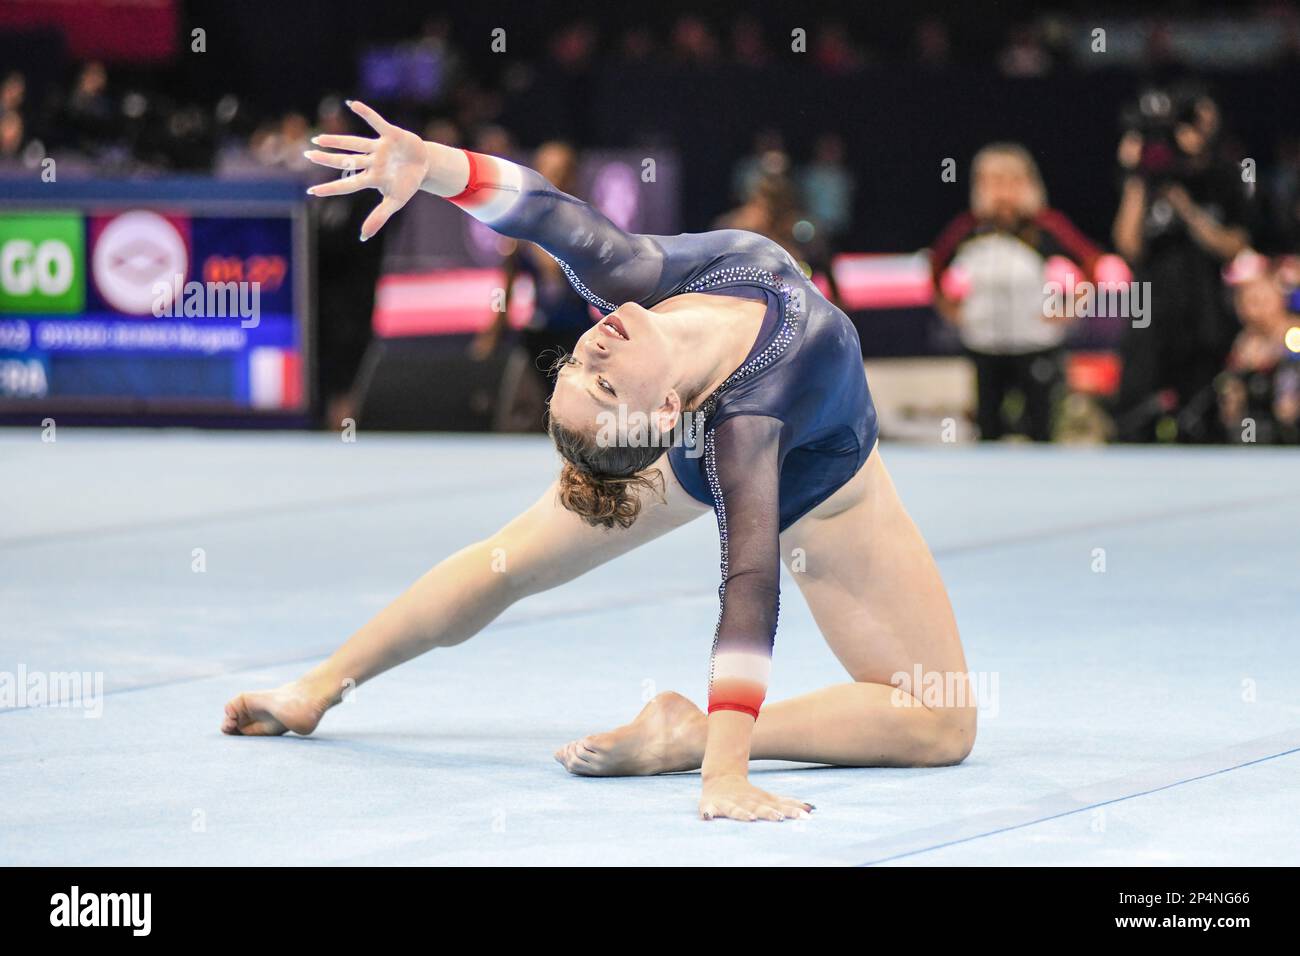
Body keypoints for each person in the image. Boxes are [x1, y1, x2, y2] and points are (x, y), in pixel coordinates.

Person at [224, 101, 974, 823]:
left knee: (505, 563)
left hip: (754, 461)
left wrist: (429, 166)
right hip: (822, 488)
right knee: (943, 722)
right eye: (603, 383)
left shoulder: (627, 283)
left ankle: (323, 689)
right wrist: (724, 774)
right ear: (663, 417)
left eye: (575, 371)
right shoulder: (748, 429)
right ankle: (324, 687)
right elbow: (749, 590)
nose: (593, 352)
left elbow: (543, 209)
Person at [931, 143, 1103, 442]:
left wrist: (1070, 309)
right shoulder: (969, 229)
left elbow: (1092, 263)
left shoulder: (1046, 227)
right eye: (994, 181)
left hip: (1036, 344)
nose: (1003, 190)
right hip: (984, 346)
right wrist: (952, 310)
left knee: (1041, 430)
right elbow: (935, 266)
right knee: (988, 429)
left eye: (1012, 180)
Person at [1111, 90, 1252, 442]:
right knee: (1135, 413)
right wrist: (1137, 176)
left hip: (1204, 311)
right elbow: (1129, 246)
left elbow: (1235, 246)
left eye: (1202, 123)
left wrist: (1187, 208)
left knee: (1202, 417)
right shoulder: (1148, 176)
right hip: (1149, 309)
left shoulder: (1224, 175)